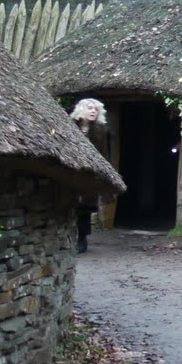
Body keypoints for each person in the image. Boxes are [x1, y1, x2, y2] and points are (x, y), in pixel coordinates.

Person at [69, 98, 110, 253]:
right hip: (72, 170)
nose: (93, 111)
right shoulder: (70, 127)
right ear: (81, 110)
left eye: (96, 109)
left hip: (90, 174)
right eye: (90, 108)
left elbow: (104, 153)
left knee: (84, 208)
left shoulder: (101, 130)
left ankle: (82, 238)